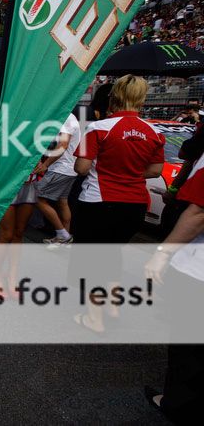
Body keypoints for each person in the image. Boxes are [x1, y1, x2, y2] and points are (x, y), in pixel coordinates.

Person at [71, 75, 164, 334]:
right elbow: (156, 170)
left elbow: (82, 168)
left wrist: (108, 169)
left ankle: (94, 317)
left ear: (115, 95)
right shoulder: (154, 132)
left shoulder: (99, 127)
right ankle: (111, 306)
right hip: (135, 204)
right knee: (113, 252)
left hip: (100, 200)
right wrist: (130, 173)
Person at [143, 151, 204, 424]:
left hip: (198, 269)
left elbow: (199, 212)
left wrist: (163, 253)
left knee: (188, 347)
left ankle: (176, 404)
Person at [35, 112, 81, 247]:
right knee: (62, 202)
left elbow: (63, 145)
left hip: (61, 168)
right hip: (68, 168)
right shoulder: (65, 117)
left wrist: (45, 165)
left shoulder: (67, 118)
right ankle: (64, 239)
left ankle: (63, 235)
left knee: (36, 197)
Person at [0, 175, 36, 299]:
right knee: (7, 234)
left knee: (19, 232)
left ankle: (12, 275)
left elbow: (57, 154)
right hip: (7, 181)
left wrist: (46, 164)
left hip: (29, 184)